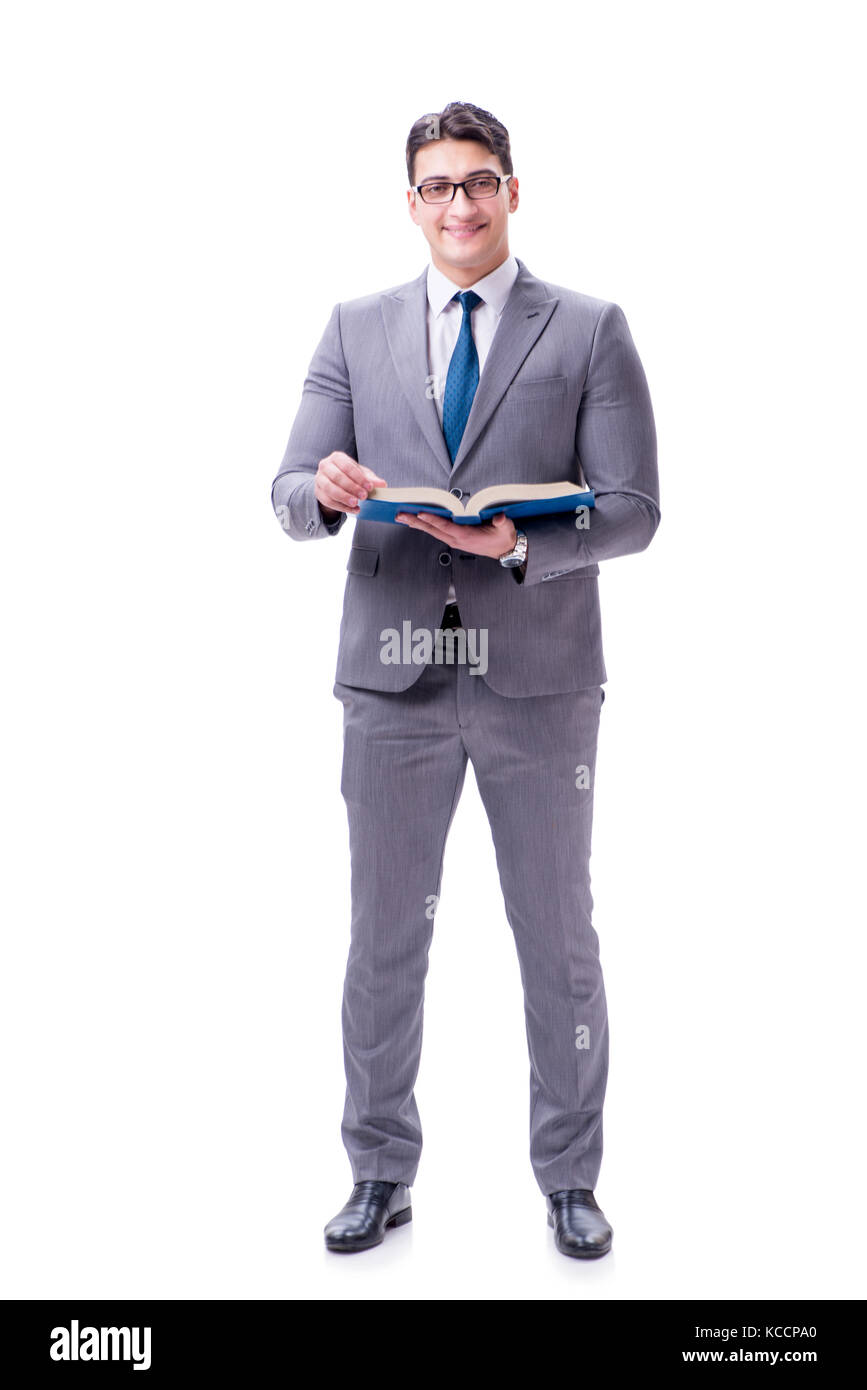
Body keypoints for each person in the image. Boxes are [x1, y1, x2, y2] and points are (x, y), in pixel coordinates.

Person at [270, 101, 660, 1258]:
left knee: (558, 936)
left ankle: (570, 1177)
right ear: (411, 203)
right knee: (384, 935)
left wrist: (526, 546)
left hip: (537, 680)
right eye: (437, 186)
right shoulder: (355, 327)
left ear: (512, 192)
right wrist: (327, 490)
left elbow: (635, 510)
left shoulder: (588, 329)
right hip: (394, 683)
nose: (459, 205)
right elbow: (289, 492)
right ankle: (379, 1170)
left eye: (479, 181)